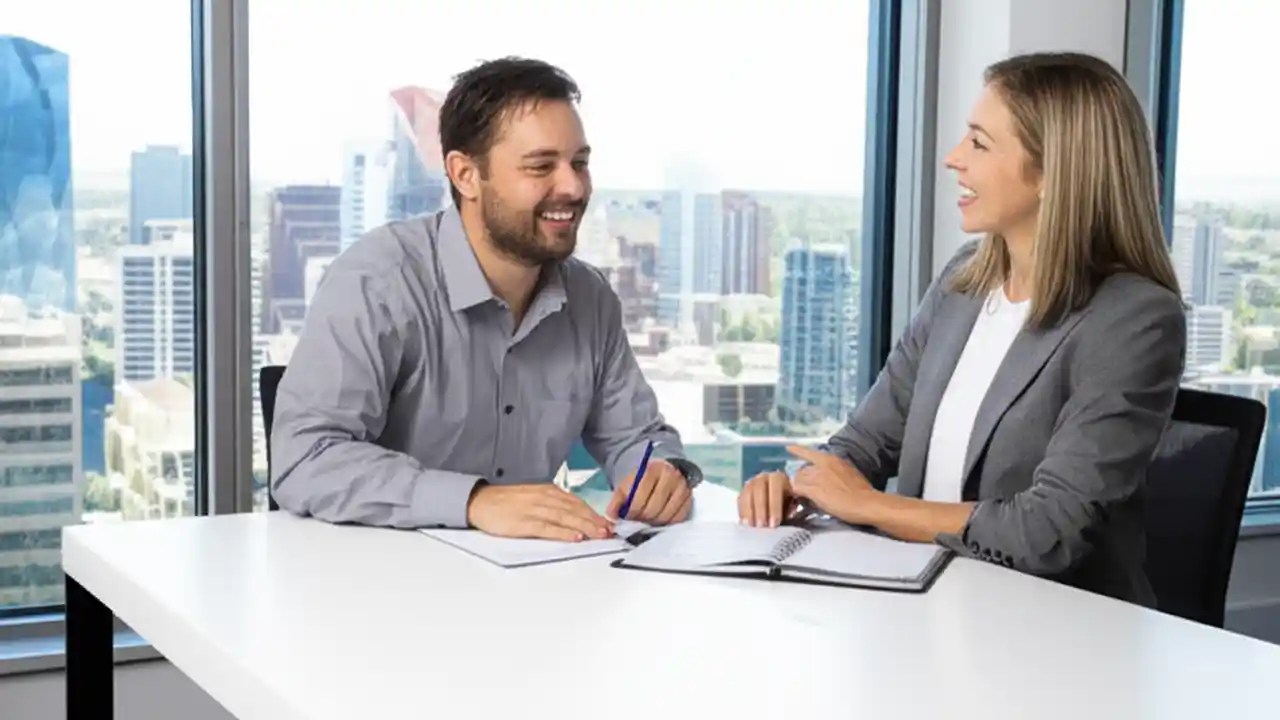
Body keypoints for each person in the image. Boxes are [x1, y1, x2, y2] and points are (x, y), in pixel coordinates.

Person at [738, 52, 1185, 604]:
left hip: (1053, 634)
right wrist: (803, 485)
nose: (953, 158)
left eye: (978, 142)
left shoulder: (1134, 319)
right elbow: (867, 441)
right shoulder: (963, 282)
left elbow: (1051, 530)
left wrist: (869, 505)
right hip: (933, 605)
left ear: (1050, 173)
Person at [271, 57, 702, 541]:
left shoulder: (589, 298)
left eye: (579, 162)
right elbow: (304, 459)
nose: (574, 186)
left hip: (529, 584)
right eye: (541, 166)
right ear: (465, 175)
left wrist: (663, 473)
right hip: (382, 589)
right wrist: (474, 501)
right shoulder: (378, 282)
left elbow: (636, 438)